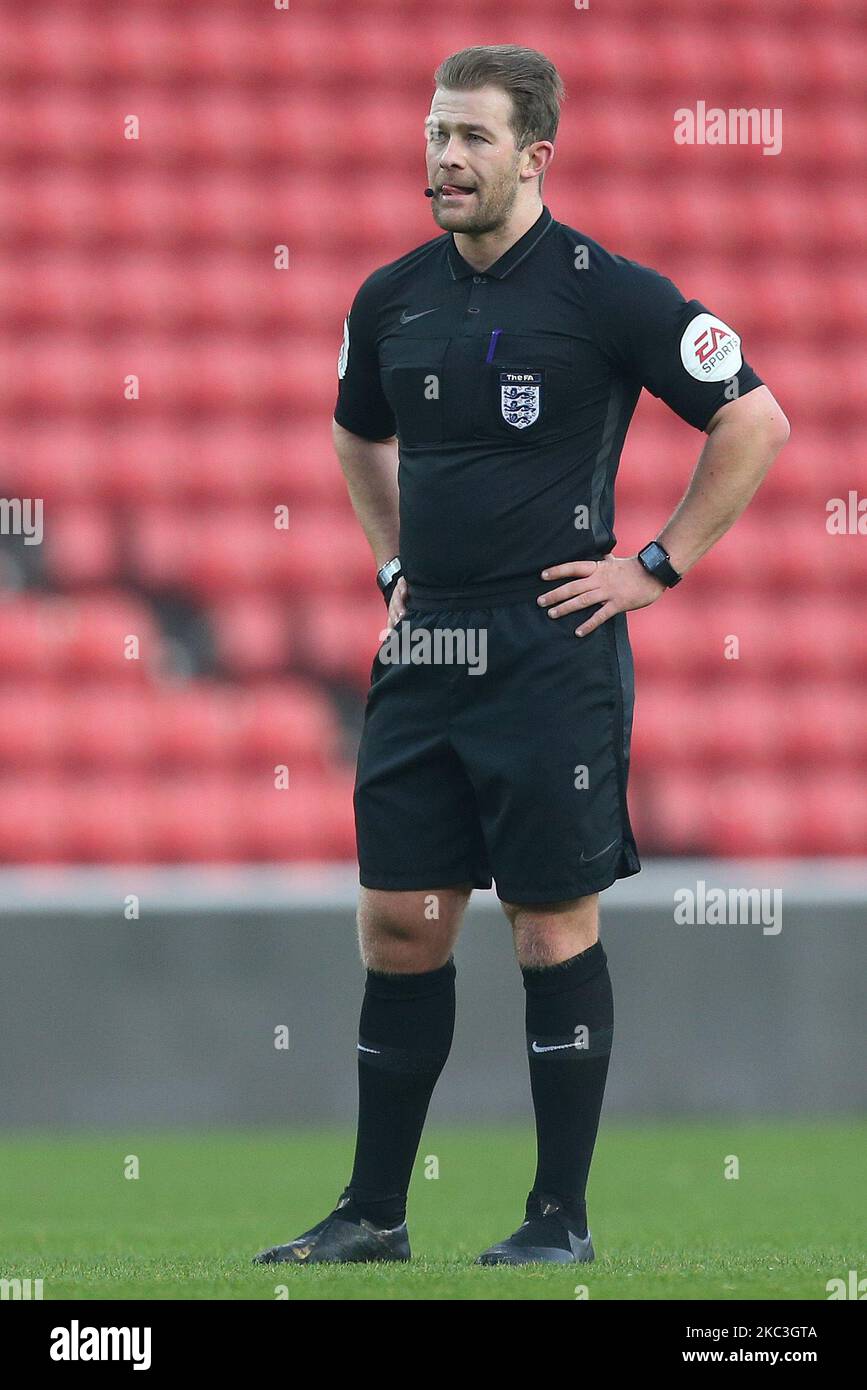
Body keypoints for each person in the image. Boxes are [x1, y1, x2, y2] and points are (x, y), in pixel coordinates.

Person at [253, 43, 789, 1268]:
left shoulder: (611, 293)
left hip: (552, 651)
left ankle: (560, 1220)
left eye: (473, 138)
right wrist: (394, 570)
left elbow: (757, 419)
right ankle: (374, 1215)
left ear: (536, 154)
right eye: (436, 134)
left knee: (549, 926)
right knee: (399, 922)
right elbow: (354, 438)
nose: (444, 158)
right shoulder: (391, 296)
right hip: (425, 647)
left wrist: (654, 567)